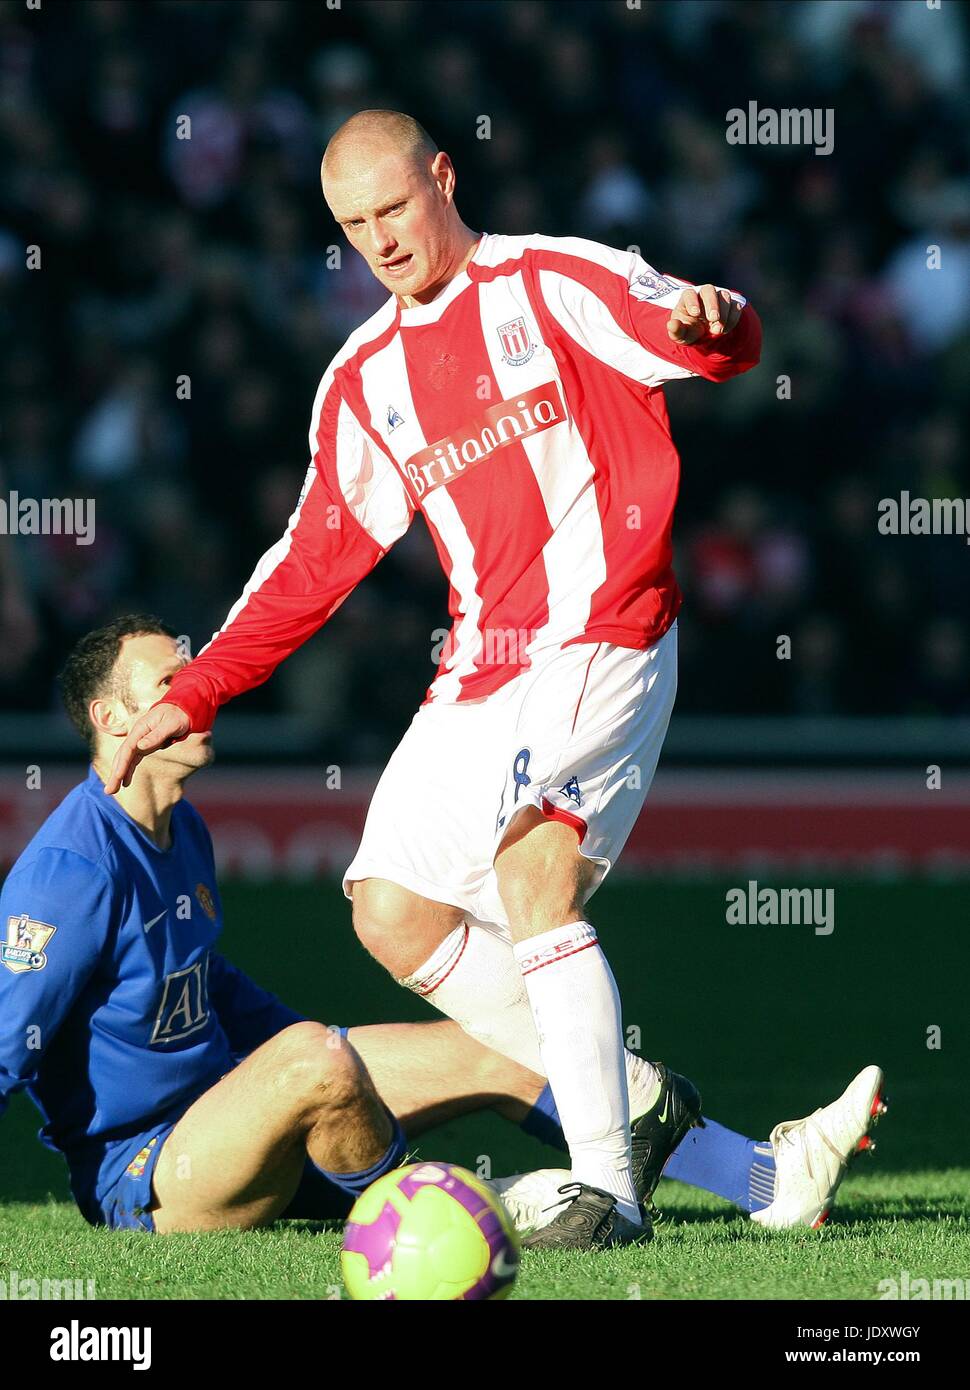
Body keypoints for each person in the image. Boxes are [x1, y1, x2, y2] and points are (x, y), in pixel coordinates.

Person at [101, 109, 808, 1247]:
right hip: (481, 663)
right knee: (389, 910)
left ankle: (608, 1193)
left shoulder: (554, 280)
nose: (377, 239)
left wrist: (716, 322)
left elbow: (702, 336)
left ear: (444, 175)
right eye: (351, 226)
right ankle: (736, 1163)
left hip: (602, 626)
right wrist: (199, 685)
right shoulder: (362, 378)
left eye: (391, 208)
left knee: (535, 874)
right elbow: (311, 566)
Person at [1, 618, 884, 1237]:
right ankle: (475, 1210)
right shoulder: (70, 869)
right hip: (150, 1172)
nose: (200, 690)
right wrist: (311, 1063)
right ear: (112, 719)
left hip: (232, 1102)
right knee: (318, 1059)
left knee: (492, 1042)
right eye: (172, 681)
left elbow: (208, 983)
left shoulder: (179, 825)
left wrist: (303, 1061)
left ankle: (764, 1181)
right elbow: (9, 1039)